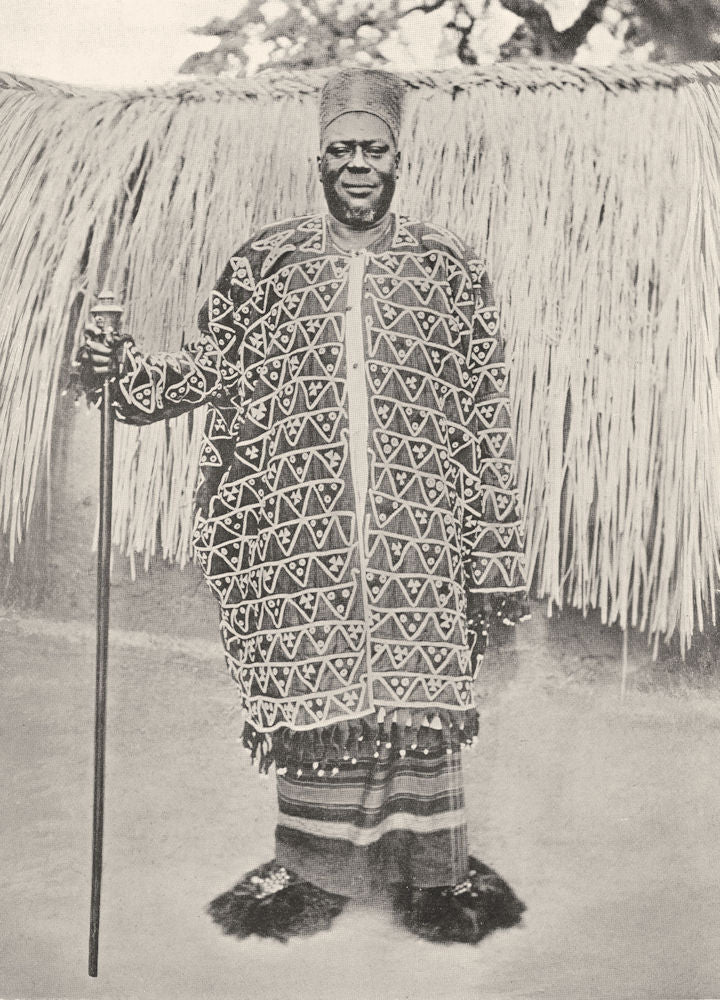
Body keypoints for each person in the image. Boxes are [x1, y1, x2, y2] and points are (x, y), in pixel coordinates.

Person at [76, 68, 530, 945]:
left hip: (418, 528)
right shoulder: (265, 264)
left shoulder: (448, 269)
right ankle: (318, 874)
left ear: (400, 159)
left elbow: (484, 409)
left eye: (374, 151)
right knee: (320, 706)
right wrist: (118, 369)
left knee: (417, 703)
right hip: (302, 535)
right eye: (341, 151)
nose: (358, 166)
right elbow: (200, 374)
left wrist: (494, 549)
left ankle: (432, 874)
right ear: (319, 160)